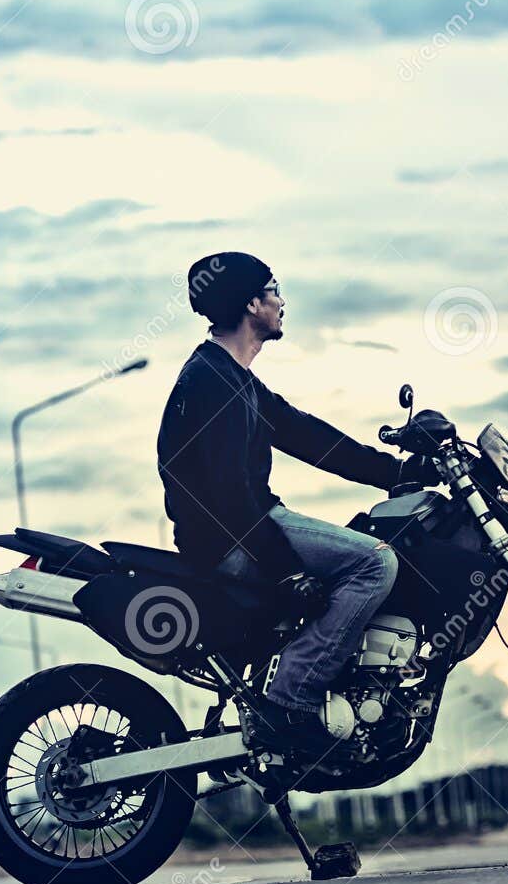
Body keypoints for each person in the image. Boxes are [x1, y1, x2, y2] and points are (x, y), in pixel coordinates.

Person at [157, 251, 427, 757]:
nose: (283, 301)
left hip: (243, 527)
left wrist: (400, 473)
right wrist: (282, 568)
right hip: (231, 538)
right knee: (374, 562)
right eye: (275, 289)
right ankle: (292, 700)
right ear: (252, 303)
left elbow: (307, 435)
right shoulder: (213, 382)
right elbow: (229, 495)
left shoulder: (229, 376)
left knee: (364, 546)